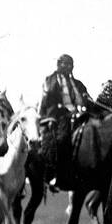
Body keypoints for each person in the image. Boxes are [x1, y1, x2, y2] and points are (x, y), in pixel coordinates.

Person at [39, 54, 93, 189]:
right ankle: (56, 175)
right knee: (62, 140)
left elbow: (85, 95)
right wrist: (52, 118)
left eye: (71, 64)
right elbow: (49, 102)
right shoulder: (51, 81)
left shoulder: (78, 83)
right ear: (59, 65)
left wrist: (86, 98)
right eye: (66, 64)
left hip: (80, 115)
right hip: (60, 117)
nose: (69, 67)